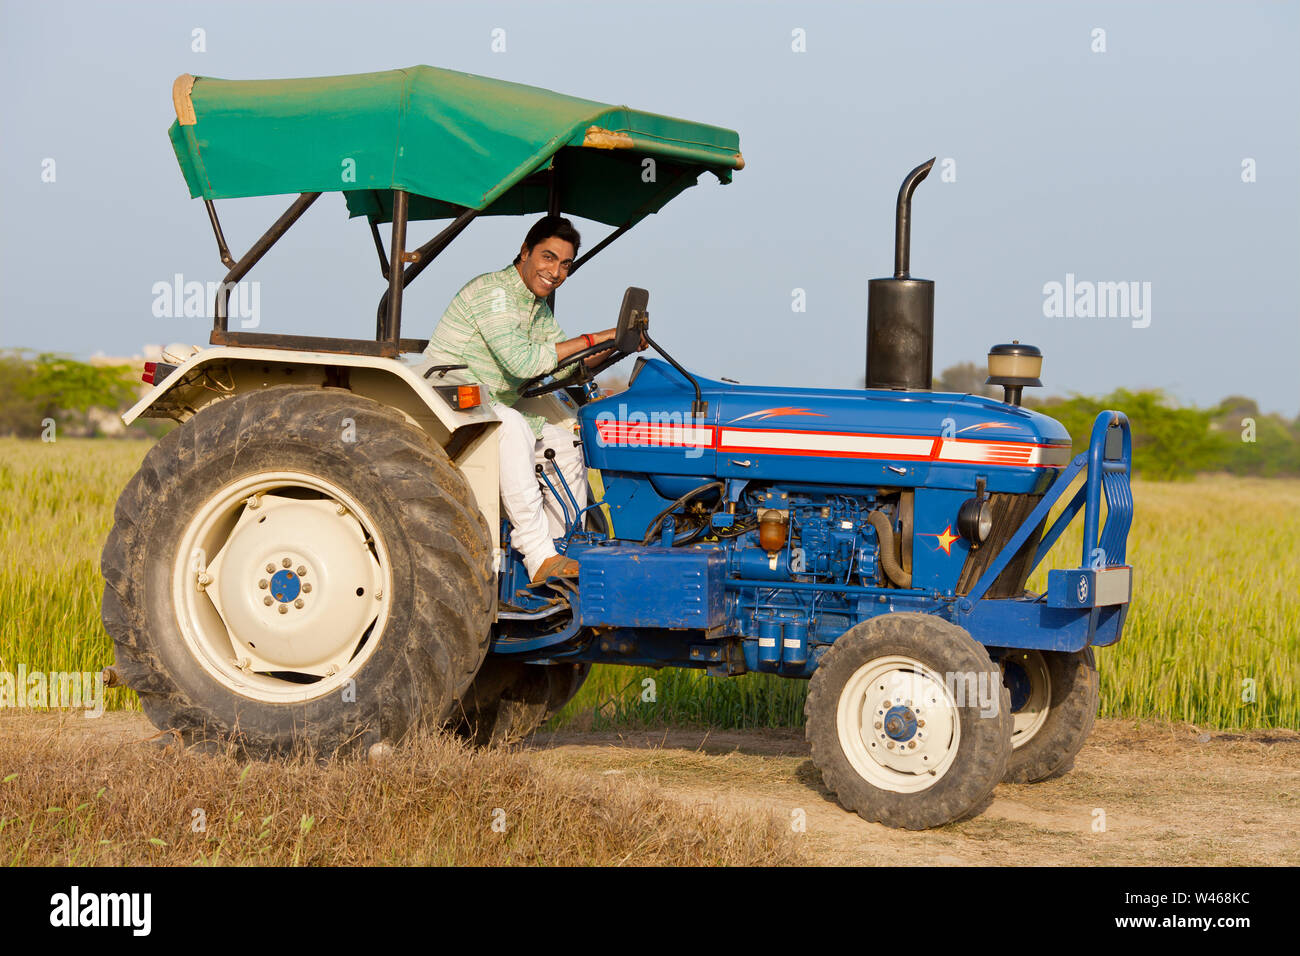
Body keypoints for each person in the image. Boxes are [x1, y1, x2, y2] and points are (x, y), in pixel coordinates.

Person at [424, 215, 632, 585]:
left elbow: (563, 366)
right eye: (548, 257)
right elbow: (523, 361)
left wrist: (615, 343)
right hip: (451, 395)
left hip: (495, 400)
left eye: (565, 264)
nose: (555, 271)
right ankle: (537, 556)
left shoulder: (537, 306)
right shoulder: (495, 293)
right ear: (525, 252)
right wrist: (595, 336)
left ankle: (564, 550)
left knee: (566, 435)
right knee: (513, 426)